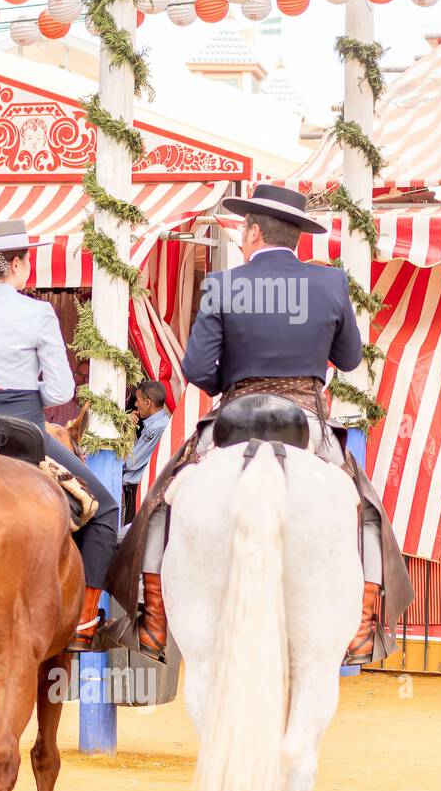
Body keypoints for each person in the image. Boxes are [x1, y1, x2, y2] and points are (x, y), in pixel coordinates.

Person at [110, 183, 412, 667]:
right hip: (306, 418)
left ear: (252, 231)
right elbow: (351, 357)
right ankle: (362, 621)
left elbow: (197, 371)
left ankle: (155, 618)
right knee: (367, 507)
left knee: (164, 498)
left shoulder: (223, 285)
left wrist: (234, 373)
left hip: (235, 416)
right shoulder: (330, 284)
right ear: (295, 238)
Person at [0, 218, 120, 653]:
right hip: (28, 432)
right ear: (16, 265)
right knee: (105, 509)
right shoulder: (37, 313)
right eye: (27, 261)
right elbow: (60, 391)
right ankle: (85, 621)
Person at [122, 379, 170, 517]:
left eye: (138, 400)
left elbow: (131, 462)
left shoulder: (157, 428)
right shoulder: (158, 424)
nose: (135, 404)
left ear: (148, 403)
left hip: (138, 491)